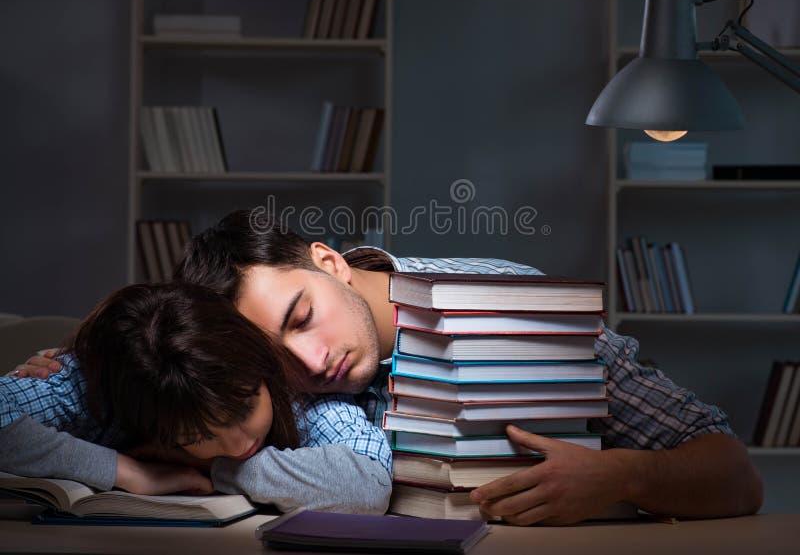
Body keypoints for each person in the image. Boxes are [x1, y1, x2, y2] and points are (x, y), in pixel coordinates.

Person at [20, 209, 763, 525]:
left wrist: (624, 476)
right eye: (274, 360)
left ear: (329, 262)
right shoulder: (283, 391)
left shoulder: (504, 310)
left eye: (302, 317)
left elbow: (734, 472)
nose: (312, 361)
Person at [1, 281, 392, 514]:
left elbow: (367, 484)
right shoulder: (96, 385)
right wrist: (129, 472)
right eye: (198, 436)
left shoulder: (295, 387)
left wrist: (212, 466)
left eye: (244, 407)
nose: (238, 444)